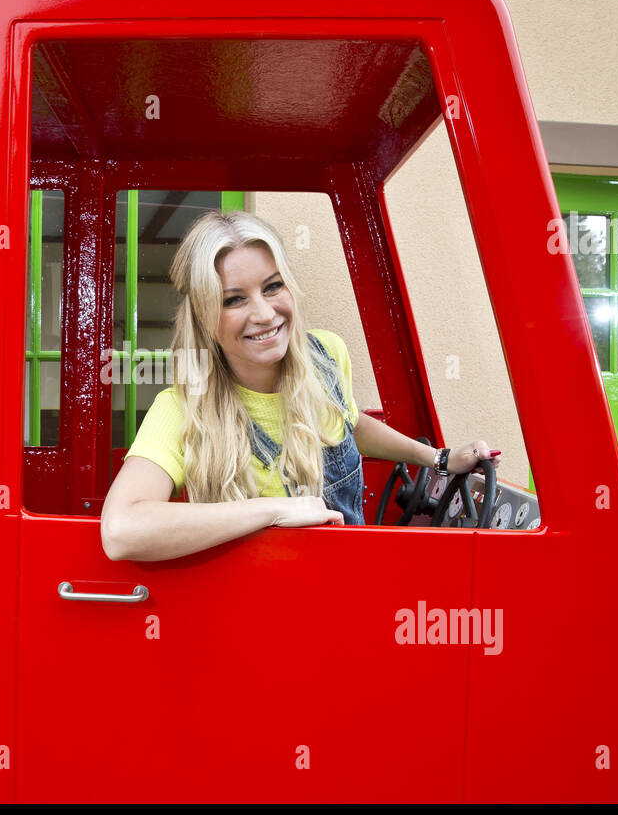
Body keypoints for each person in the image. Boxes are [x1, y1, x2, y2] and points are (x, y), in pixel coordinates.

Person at [100, 210, 502, 563]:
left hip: (351, 594)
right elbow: (121, 531)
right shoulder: (183, 408)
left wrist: (438, 458)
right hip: (257, 614)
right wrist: (274, 511)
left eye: (273, 286)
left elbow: (346, 423)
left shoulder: (327, 354)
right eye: (234, 300)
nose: (264, 313)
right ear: (204, 317)